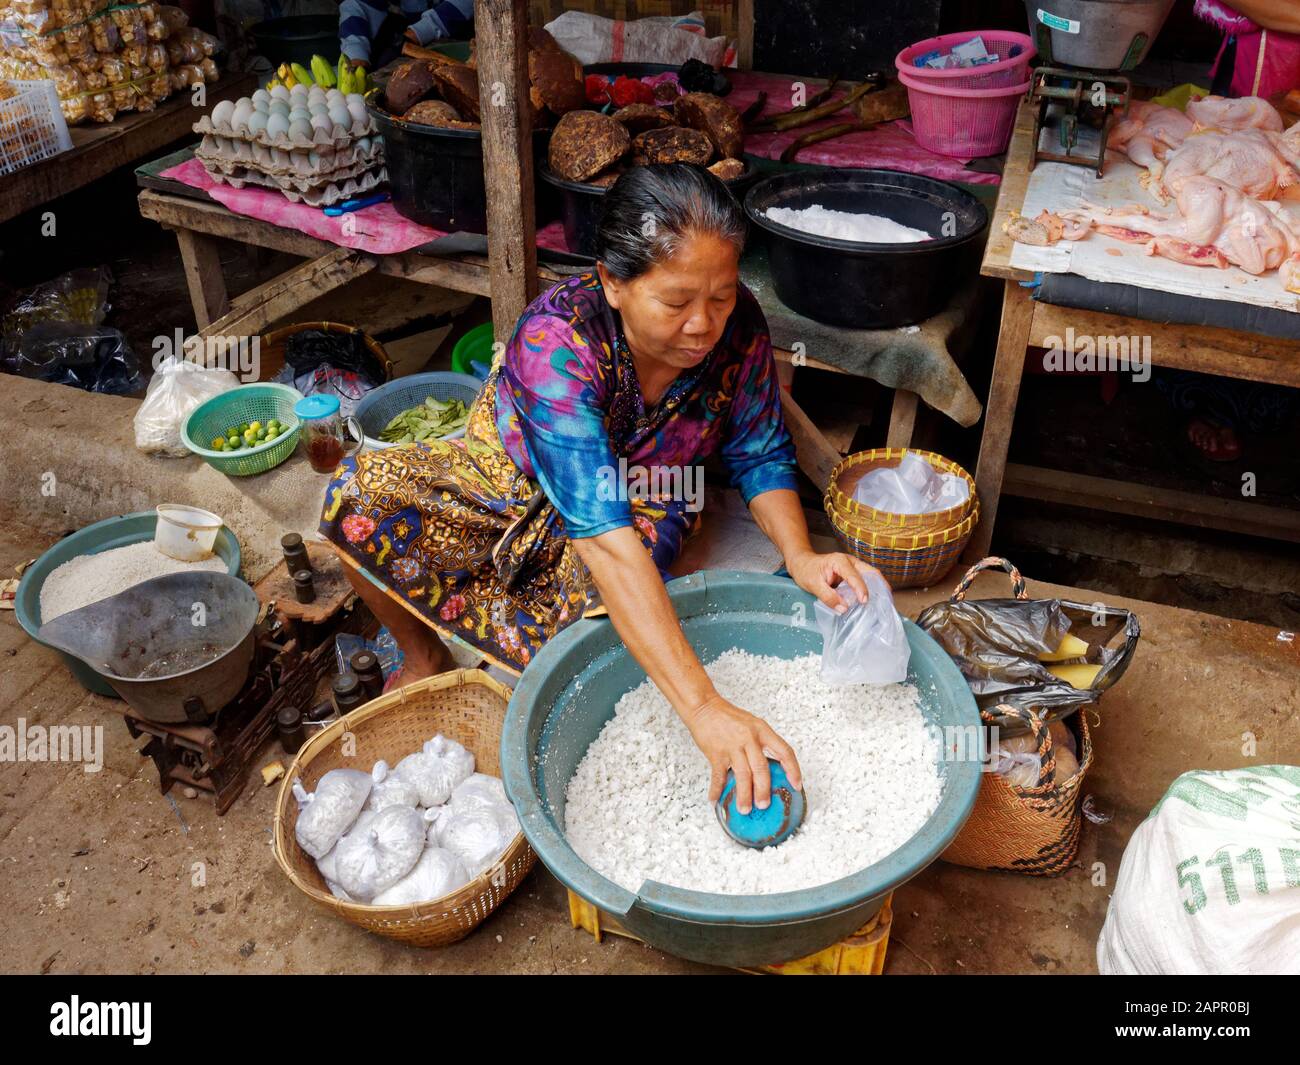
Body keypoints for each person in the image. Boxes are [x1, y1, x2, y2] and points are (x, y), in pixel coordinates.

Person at [321, 164, 880, 815]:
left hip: (647, 491)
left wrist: (802, 553)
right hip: (513, 474)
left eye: (721, 296)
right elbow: (602, 537)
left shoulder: (741, 327)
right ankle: (424, 656)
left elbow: (758, 449)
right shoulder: (554, 341)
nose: (704, 324)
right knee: (358, 493)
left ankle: (537, 671)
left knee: (598, 626)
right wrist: (705, 707)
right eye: (675, 302)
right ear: (613, 282)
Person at [339, 0, 474, 69]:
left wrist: (416, 34)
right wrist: (355, 55)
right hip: (409, 38)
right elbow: (358, 4)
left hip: (465, 41)